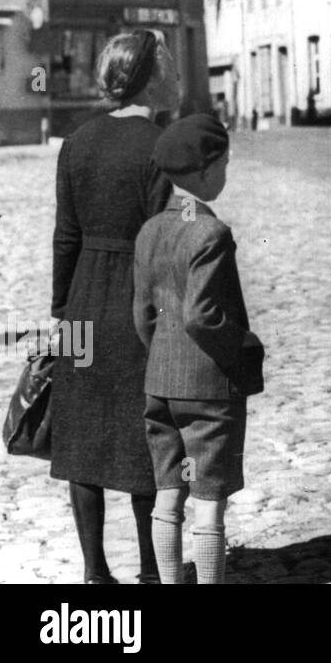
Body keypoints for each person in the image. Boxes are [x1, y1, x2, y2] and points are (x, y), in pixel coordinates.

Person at [50, 29, 180, 584]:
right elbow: (160, 241)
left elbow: (65, 236)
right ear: (149, 76)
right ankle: (153, 569)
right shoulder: (159, 146)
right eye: (169, 65)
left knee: (81, 433)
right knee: (144, 430)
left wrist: (61, 310)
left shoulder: (76, 142)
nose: (175, 73)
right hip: (136, 302)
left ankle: (95, 571)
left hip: (82, 300)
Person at [133, 114, 264, 585]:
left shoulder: (149, 231)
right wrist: (243, 346)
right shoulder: (211, 233)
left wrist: (164, 358)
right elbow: (202, 315)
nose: (226, 173)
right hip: (208, 389)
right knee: (208, 504)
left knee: (168, 495)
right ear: (207, 171)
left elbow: (143, 315)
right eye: (225, 164)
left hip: (160, 385)